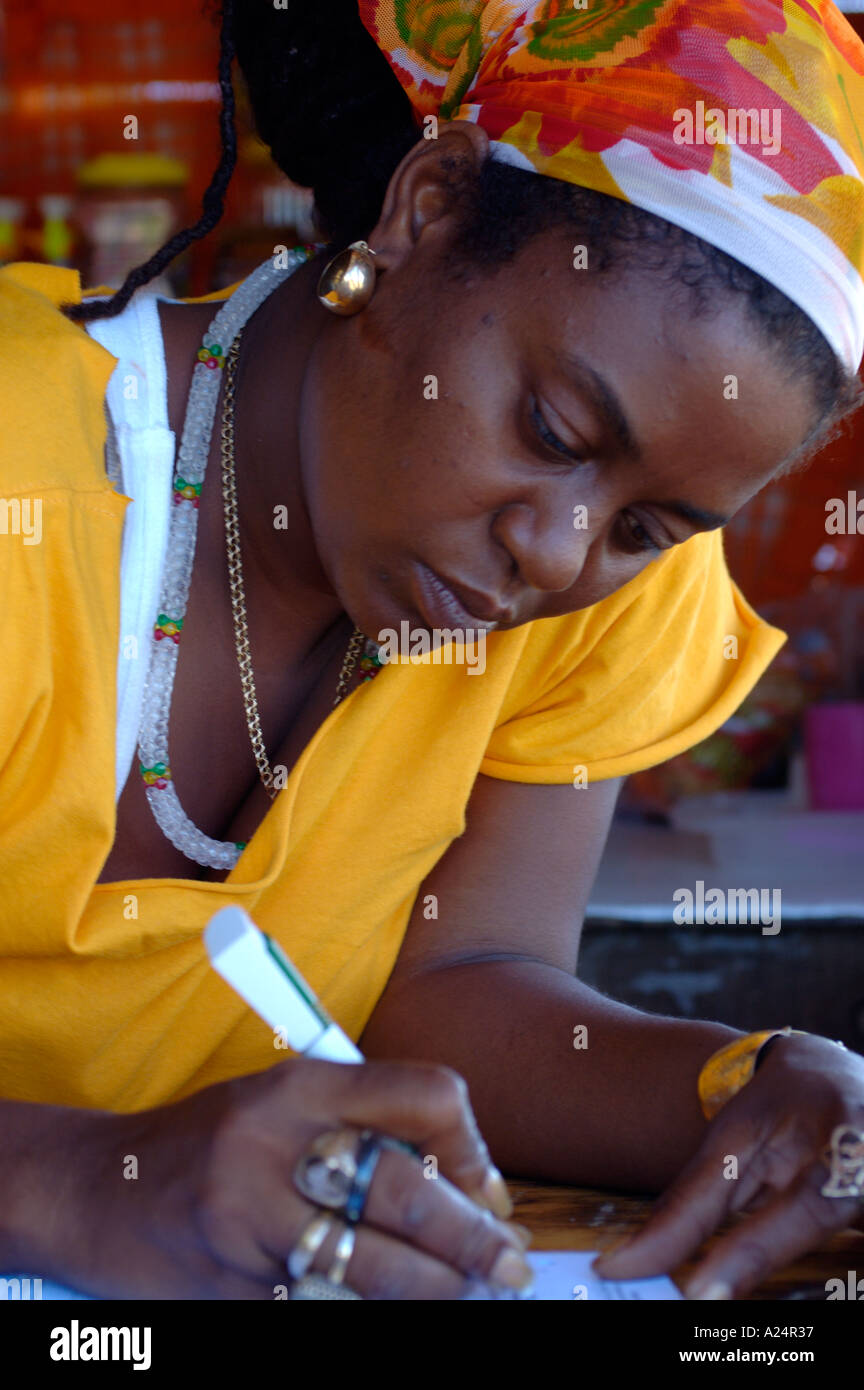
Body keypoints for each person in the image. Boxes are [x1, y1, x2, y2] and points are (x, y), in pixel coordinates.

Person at [0, 0, 862, 1301]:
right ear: (427, 206)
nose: (563, 554)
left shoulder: (606, 601)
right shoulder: (25, 490)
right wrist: (79, 1179)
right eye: (556, 430)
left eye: (648, 523)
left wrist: (756, 1087)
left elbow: (458, 987)